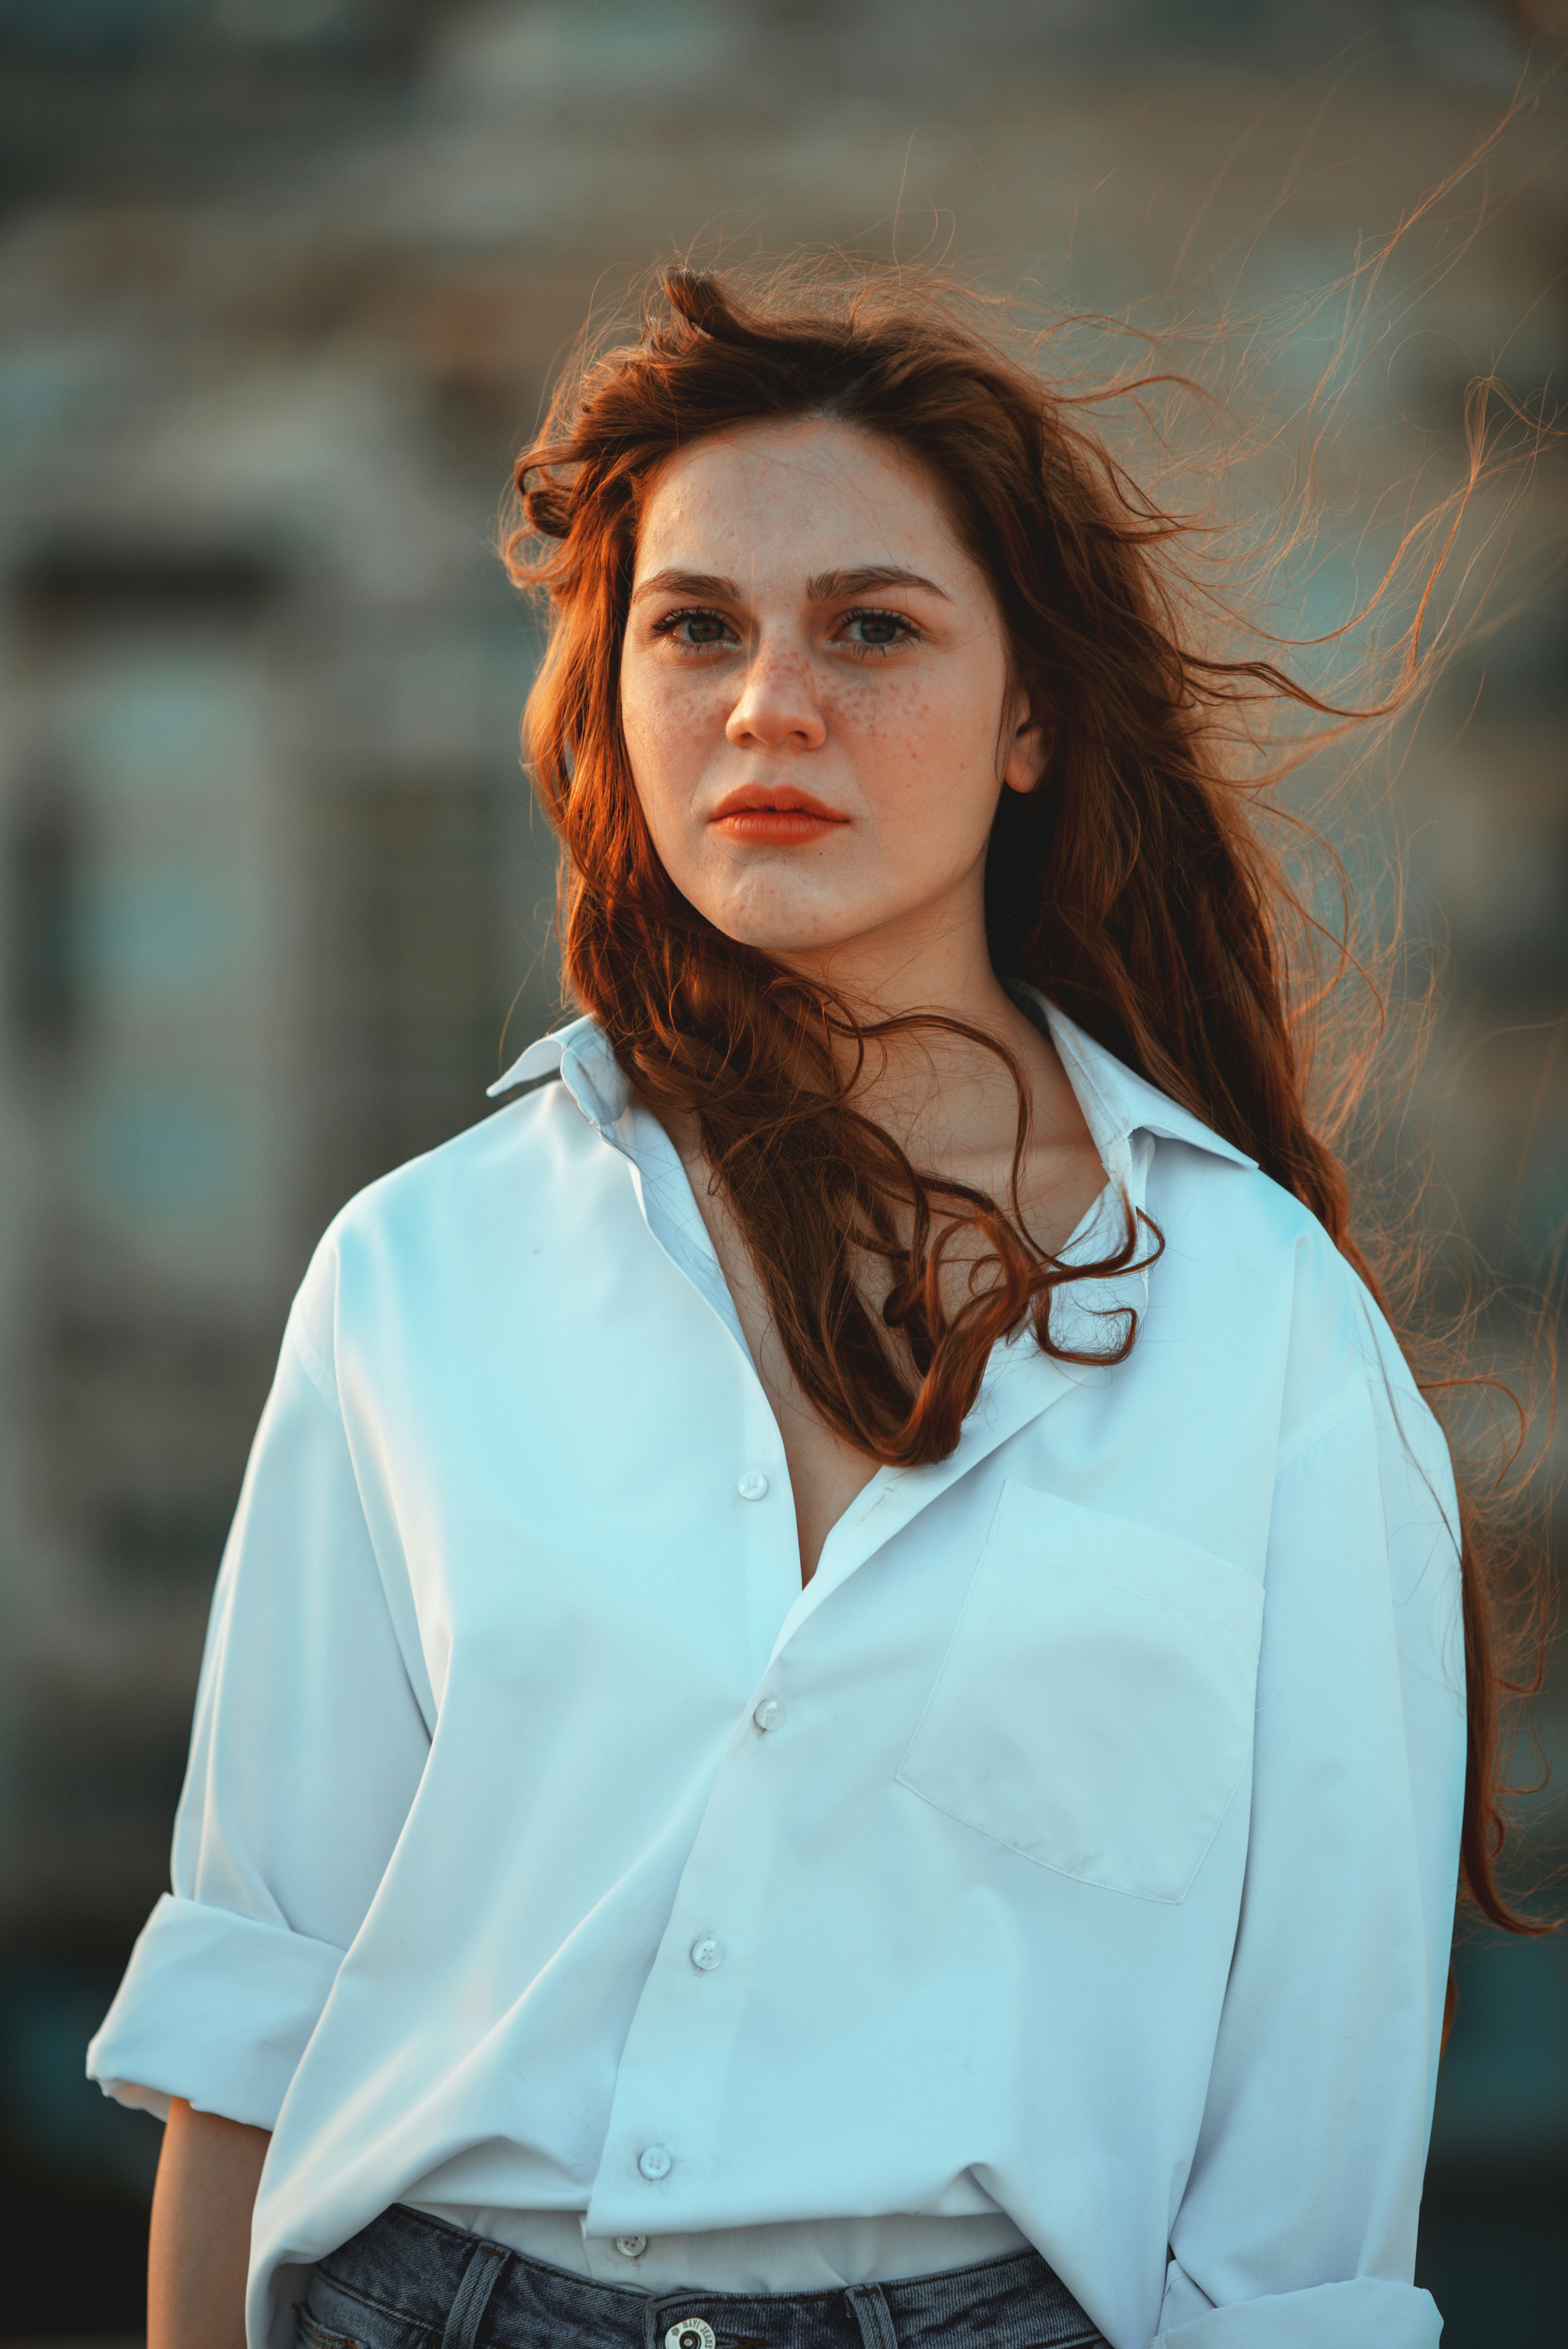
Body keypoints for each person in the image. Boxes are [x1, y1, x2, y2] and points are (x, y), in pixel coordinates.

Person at [89, 262, 1508, 2349]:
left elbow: (1308, 2176)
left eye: (870, 625)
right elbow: (253, 2010)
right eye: (698, 628)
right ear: (620, 691)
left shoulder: (1275, 1345)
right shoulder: (416, 1276)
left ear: (1032, 713)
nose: (771, 703)